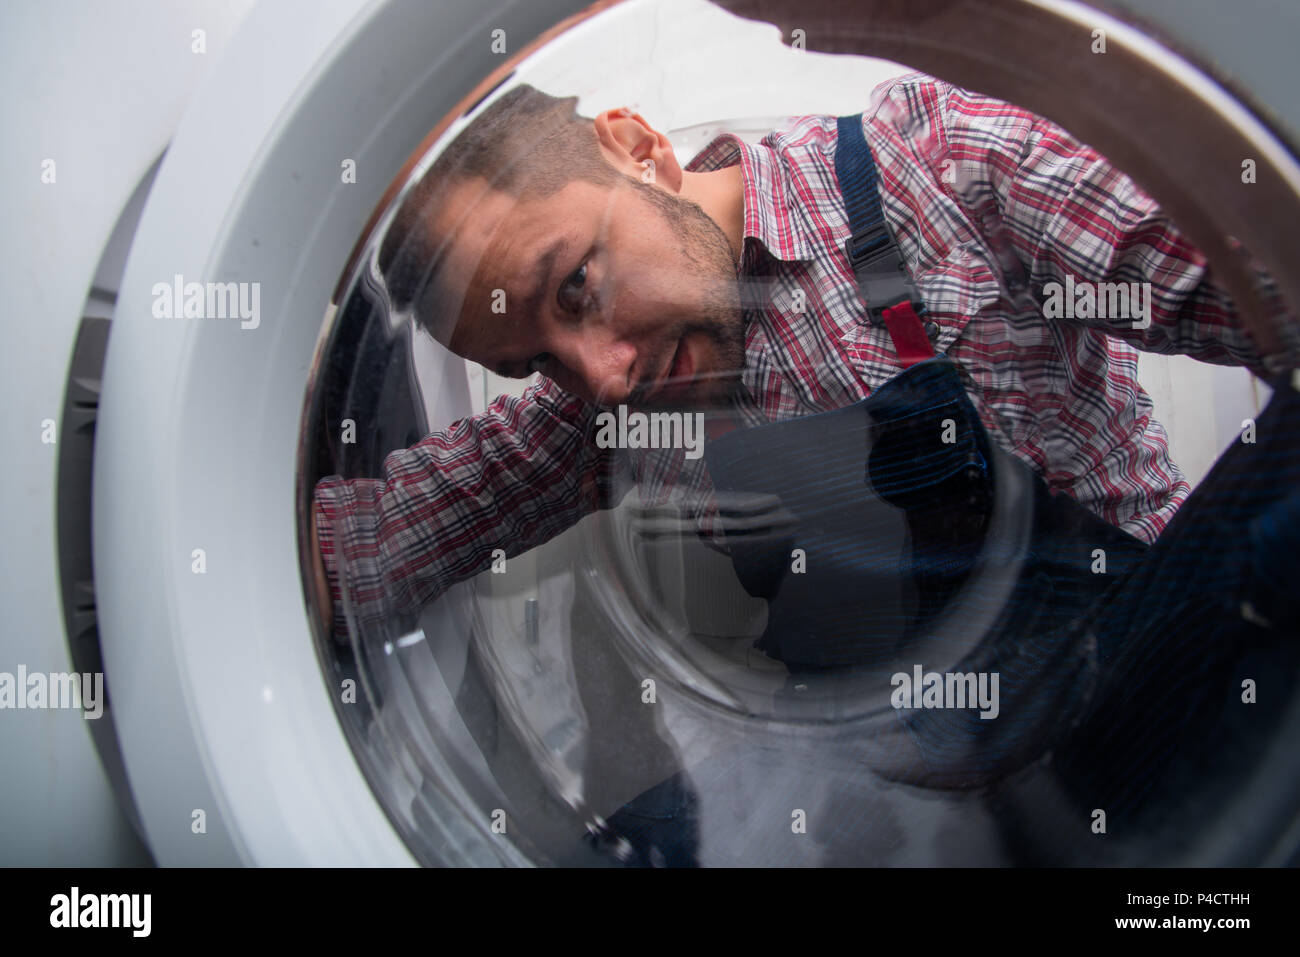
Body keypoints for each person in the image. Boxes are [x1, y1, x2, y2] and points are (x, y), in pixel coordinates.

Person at [309, 73, 1299, 860]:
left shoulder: (938, 164)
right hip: (897, 785)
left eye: (576, 286)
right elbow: (374, 544)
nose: (600, 379)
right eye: (532, 363)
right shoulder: (603, 410)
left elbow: (1269, 283)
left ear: (638, 148)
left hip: (1142, 674)